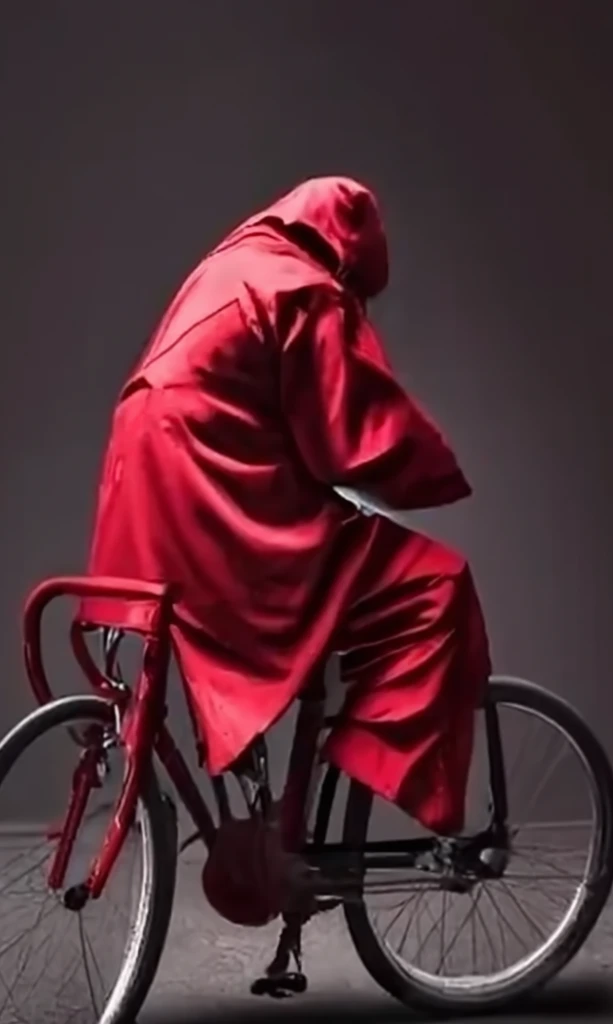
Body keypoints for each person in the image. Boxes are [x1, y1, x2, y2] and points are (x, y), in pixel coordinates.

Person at [79, 176, 491, 838]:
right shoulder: (307, 289)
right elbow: (356, 437)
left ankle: (275, 812)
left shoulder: (224, 267)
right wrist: (437, 472)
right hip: (217, 484)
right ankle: (330, 790)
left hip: (142, 482)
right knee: (434, 585)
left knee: (273, 598)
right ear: (348, 256)